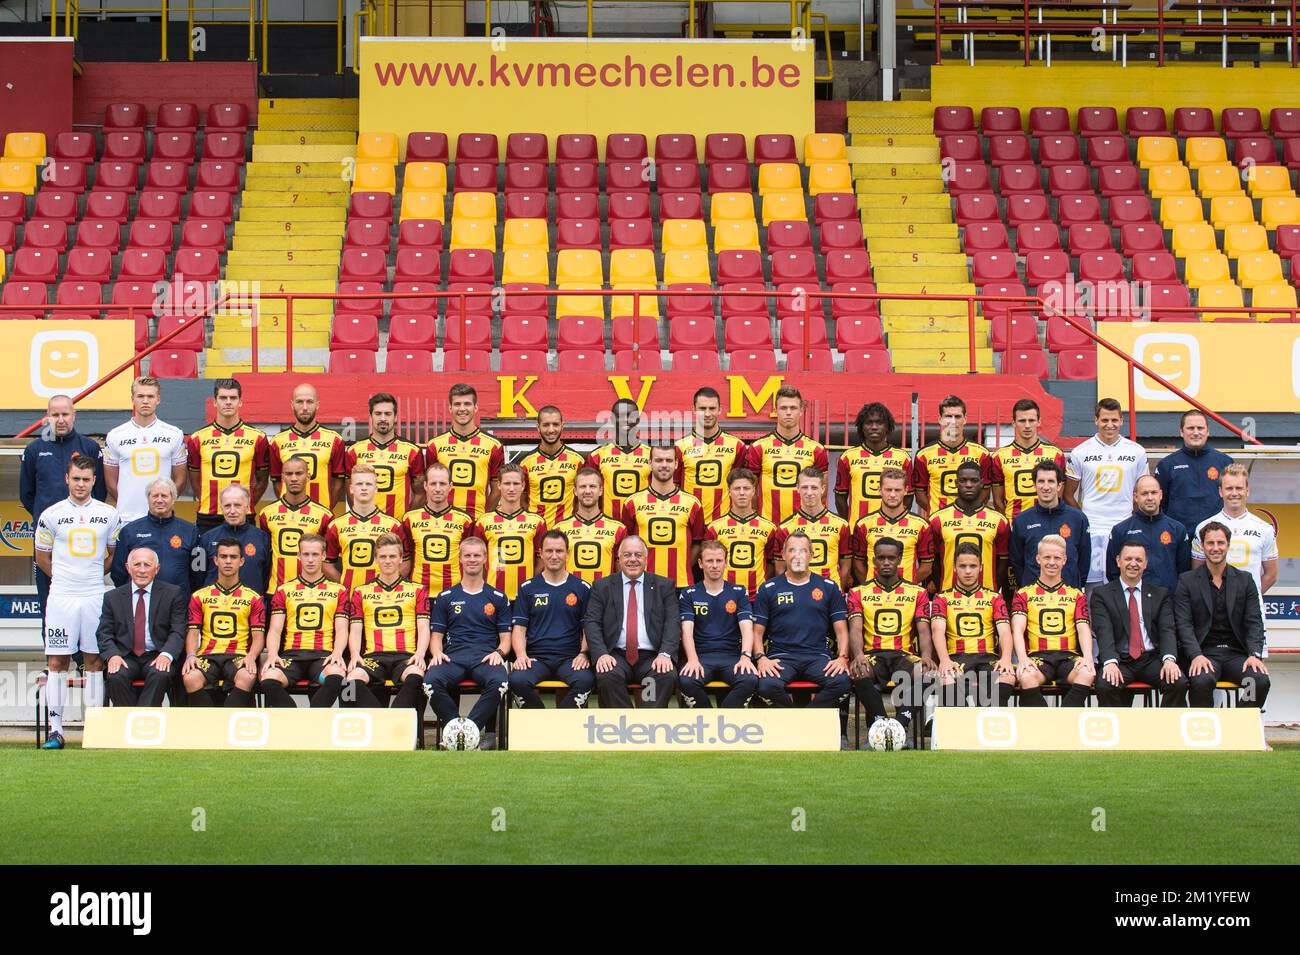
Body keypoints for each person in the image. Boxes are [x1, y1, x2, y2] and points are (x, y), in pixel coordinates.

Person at [35, 454, 119, 748]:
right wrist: (65, 580)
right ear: (66, 479)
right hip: (62, 597)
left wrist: (91, 576)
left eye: (86, 479)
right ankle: (56, 731)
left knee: (94, 660)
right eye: (76, 479)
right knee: (58, 661)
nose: (81, 484)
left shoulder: (109, 514)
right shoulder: (51, 514)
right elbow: (41, 557)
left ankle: (93, 729)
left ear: (94, 481)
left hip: (95, 595)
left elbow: (112, 554)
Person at [21, 394, 106, 623]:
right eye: (55, 414)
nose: (61, 419)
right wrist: (50, 521)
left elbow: (100, 493)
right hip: (49, 540)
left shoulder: (89, 447)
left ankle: (81, 656)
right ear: (47, 417)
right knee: (48, 600)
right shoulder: (34, 450)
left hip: (84, 537)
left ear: (74, 415)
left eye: (65, 414)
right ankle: (53, 655)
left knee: (84, 600)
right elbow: (27, 495)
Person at [751, 532, 851, 708]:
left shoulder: (829, 587)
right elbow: (757, 632)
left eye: (803, 551)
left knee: (842, 682)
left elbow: (841, 630)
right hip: (781, 658)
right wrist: (761, 658)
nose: (797, 556)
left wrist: (842, 657)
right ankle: (801, 724)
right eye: (792, 550)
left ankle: (802, 722)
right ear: (783, 555)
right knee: (766, 685)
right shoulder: (768, 588)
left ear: (811, 556)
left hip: (817, 657)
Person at [1176, 522, 1269, 709]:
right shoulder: (1187, 581)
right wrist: (1195, 655)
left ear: (1228, 545)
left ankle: (1238, 728)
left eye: (1220, 543)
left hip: (1237, 656)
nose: (1215, 548)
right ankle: (1205, 733)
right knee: (1201, 682)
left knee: (1257, 682)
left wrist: (1254, 654)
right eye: (1210, 543)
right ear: (1202, 546)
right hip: (1204, 654)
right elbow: (1183, 624)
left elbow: (1254, 622)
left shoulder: (1245, 580)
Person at [425, 537, 512, 736]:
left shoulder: (498, 597)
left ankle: (469, 730)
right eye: (468, 555)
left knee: (501, 682)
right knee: (430, 682)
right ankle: (455, 728)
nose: (472, 559)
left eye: (477, 555)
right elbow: (436, 635)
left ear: (484, 559)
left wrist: (499, 652)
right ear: (460, 560)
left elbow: (506, 639)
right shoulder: (445, 597)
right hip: (453, 657)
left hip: (486, 656)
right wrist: (437, 653)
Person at [847, 538, 932, 738]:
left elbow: (924, 631)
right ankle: (881, 723)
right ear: (874, 561)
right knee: (859, 672)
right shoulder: (858, 592)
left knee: (928, 674)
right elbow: (855, 629)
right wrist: (858, 655)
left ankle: (900, 726)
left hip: (903, 655)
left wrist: (927, 655)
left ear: (900, 559)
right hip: (873, 655)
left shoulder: (917, 593)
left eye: (891, 558)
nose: (886, 562)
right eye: (881, 558)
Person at [582, 536, 680, 708]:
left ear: (646, 559)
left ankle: (647, 722)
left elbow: (672, 622)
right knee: (607, 674)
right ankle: (625, 724)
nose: (633, 559)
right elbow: (592, 623)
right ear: (619, 559)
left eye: (638, 555)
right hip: (615, 655)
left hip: (651, 657)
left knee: (664, 674)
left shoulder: (663, 586)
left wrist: (665, 654)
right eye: (627, 555)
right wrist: (601, 654)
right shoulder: (602, 586)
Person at [1065, 397, 1149, 591]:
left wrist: (1132, 519)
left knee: (1124, 585)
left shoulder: (1136, 452)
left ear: (1121, 420)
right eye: (1104, 420)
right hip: (1092, 531)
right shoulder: (1081, 452)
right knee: (1092, 589)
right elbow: (1069, 495)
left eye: (1114, 420)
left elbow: (1142, 491)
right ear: (1096, 420)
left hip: (1124, 529)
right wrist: (1084, 520)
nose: (1109, 425)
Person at [345, 534, 430, 722]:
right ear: (375, 559)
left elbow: (424, 628)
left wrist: (420, 654)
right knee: (350, 683)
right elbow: (356, 629)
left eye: (392, 556)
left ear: (401, 559)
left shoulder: (417, 590)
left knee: (416, 676)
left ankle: (391, 725)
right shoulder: (361, 591)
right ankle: (385, 722)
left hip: (405, 656)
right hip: (374, 657)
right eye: (383, 557)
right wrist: (354, 655)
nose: (388, 561)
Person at [1091, 541, 1188, 707]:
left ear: (1145, 564)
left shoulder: (1160, 594)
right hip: (1120, 660)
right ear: (1118, 561)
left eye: (1138, 560)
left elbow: (1167, 630)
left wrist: (1169, 659)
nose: (1133, 564)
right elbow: (1103, 632)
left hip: (1151, 659)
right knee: (1105, 685)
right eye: (1128, 558)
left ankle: (1167, 730)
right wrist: (1110, 662)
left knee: (1177, 682)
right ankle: (1119, 730)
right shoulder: (1102, 594)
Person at [258, 533, 349, 709]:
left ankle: (309, 723)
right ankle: (298, 722)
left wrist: (337, 653)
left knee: (336, 675)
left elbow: (342, 629)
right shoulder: (284, 590)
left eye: (315, 554)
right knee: (269, 679)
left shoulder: (339, 590)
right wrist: (272, 654)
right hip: (292, 657)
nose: (310, 559)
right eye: (306, 554)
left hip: (323, 657)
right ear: (299, 556)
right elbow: (275, 630)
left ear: (323, 556)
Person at [508, 531, 595, 709]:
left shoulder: (582, 588)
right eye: (549, 551)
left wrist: (583, 653)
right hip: (536, 658)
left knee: (586, 679)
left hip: (570, 658)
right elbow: (519, 629)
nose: (554, 556)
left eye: (559, 551)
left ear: (568, 553)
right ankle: (544, 724)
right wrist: (521, 655)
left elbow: (589, 627)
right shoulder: (527, 588)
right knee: (517, 680)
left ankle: (559, 726)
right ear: (540, 553)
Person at [96, 547, 186, 708]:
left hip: (157, 654)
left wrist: (167, 655)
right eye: (137, 564)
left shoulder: (173, 594)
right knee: (115, 675)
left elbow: (178, 631)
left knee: (160, 674)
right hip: (125, 655)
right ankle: (127, 721)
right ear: (128, 568)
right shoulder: (112, 597)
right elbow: (104, 633)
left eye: (147, 565)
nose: (142, 570)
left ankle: (144, 721)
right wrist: (113, 656)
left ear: (157, 569)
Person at [1011, 535, 1094, 707]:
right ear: (1038, 559)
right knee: (1026, 676)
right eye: (1047, 557)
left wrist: (1087, 657)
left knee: (1087, 674)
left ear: (1064, 560)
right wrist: (1023, 659)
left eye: (1057, 557)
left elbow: (1083, 629)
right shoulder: (1024, 594)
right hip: (1038, 657)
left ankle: (1064, 723)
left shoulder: (1076, 594)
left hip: (1068, 656)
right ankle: (1044, 726)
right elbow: (1017, 630)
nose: (1051, 562)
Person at [930, 543, 1016, 707]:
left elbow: (1005, 632)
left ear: (981, 568)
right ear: (954, 568)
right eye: (962, 566)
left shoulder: (994, 598)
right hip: (956, 658)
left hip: (988, 658)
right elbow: (937, 631)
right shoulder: (942, 598)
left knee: (1008, 676)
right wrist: (945, 660)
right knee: (946, 677)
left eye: (973, 566)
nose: (968, 571)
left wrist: (1005, 658)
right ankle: (961, 725)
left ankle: (989, 720)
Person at [182, 538, 265, 707]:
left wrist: (251, 656)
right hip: (208, 655)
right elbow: (192, 632)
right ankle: (210, 724)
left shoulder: (253, 598)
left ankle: (225, 723)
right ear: (215, 560)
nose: (228, 561)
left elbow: (258, 637)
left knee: (247, 676)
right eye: (223, 556)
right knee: (190, 678)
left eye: (233, 557)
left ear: (241, 561)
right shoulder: (200, 596)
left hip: (238, 655)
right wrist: (191, 655)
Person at [1191, 464, 1277, 625]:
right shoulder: (1203, 528)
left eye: (1239, 488)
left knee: (1254, 651)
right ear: (1220, 492)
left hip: (1250, 612)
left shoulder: (1264, 528)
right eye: (1229, 488)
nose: (1234, 493)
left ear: (1247, 490)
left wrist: (1248, 596)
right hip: (1214, 611)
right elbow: (1197, 571)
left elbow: (1271, 574)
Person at [677, 540, 759, 708]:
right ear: (700, 563)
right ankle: (711, 721)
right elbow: (686, 630)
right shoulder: (689, 593)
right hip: (701, 656)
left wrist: (745, 657)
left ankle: (720, 720)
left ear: (725, 563)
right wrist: (692, 659)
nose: (714, 565)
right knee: (686, 681)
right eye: (709, 561)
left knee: (750, 679)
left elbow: (747, 627)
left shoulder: (738, 591)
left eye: (719, 560)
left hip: (731, 656)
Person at [186, 378, 270, 534]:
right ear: (215, 402)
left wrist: (246, 504)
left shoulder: (257, 437)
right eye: (223, 398)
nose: (228, 402)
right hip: (208, 516)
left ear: (240, 402)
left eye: (233, 398)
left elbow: (263, 480)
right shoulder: (197, 438)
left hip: (244, 516)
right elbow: (195, 480)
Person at [103, 376, 188, 524]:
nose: (145, 401)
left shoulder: (174, 434)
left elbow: (180, 480)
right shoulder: (115, 435)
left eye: (150, 396)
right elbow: (111, 483)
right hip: (126, 519)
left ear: (158, 399)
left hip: (161, 519)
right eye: (140, 396)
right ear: (132, 399)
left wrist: (163, 505)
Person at [621, 445, 706, 589]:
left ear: (676, 464)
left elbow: (698, 544)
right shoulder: (632, 502)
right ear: (650, 463)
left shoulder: (693, 503)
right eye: (659, 460)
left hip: (681, 584)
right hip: (643, 585)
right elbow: (626, 543)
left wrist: (683, 565)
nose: (664, 465)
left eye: (669, 460)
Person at [744, 385, 829, 526]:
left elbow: (822, 493)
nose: (788, 412)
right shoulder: (758, 448)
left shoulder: (816, 449)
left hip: (804, 527)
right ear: (775, 411)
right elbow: (750, 491)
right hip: (769, 526)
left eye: (793, 408)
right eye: (783, 408)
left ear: (801, 411)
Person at [927, 461, 1010, 592]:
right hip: (948, 596)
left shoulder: (999, 520)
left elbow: (1003, 562)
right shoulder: (937, 519)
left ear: (982, 483)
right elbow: (933, 563)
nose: (969, 485)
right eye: (963, 480)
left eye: (974, 480)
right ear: (956, 483)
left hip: (987, 598)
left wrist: (992, 590)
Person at [257, 454, 334, 593]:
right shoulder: (266, 513)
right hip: (274, 591)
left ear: (308, 476)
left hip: (311, 593)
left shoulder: (324, 515)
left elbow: (328, 561)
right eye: (289, 474)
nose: (293, 478)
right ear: (283, 477)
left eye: (299, 473)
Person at [426, 382, 504, 520]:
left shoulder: (493, 445)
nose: (462, 409)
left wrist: (484, 517)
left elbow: (497, 488)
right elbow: (427, 487)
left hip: (477, 520)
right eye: (457, 404)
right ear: (450, 408)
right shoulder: (435, 445)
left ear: (475, 408)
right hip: (444, 522)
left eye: (467, 404)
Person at [324, 463, 407, 592]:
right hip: (349, 600)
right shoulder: (336, 525)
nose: (364, 488)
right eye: (359, 484)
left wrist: (388, 586)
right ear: (351, 488)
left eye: (368, 484)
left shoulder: (393, 525)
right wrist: (345, 587)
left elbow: (405, 562)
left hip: (382, 599)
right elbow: (326, 564)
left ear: (376, 488)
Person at [1009, 461, 1090, 589]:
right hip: (1033, 597)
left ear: (1059, 486)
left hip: (1069, 595)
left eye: (1051, 481)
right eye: (1041, 481)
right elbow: (1017, 561)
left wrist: (1073, 585)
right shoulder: (1021, 521)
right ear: (1034, 485)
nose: (1046, 487)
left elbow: (1084, 562)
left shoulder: (1078, 518)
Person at [110, 477, 198, 594]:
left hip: (178, 602)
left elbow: (198, 572)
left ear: (173, 499)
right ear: (148, 499)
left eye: (164, 496)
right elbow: (118, 572)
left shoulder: (190, 531)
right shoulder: (130, 531)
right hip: (140, 601)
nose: (159, 500)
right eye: (155, 496)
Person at [471, 463, 546, 601]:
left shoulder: (536, 521)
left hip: (525, 597)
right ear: (499, 485)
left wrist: (531, 584)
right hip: (492, 597)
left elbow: (541, 559)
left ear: (523, 486)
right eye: (507, 483)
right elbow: (476, 560)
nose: (511, 488)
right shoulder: (484, 521)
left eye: (516, 483)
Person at [345, 392, 426, 519]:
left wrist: (405, 522)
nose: (383, 418)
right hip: (365, 527)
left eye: (387, 414)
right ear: (371, 416)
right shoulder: (354, 451)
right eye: (378, 414)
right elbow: (350, 492)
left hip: (397, 530)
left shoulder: (412, 451)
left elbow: (421, 493)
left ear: (395, 417)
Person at [1106, 475, 1191, 593]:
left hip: (1168, 602)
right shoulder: (1121, 530)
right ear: (1136, 497)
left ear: (1161, 495)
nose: (1150, 498)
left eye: (1154, 493)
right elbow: (1112, 572)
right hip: (1133, 602)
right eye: (1144, 493)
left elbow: (1184, 571)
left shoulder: (1177, 529)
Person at [911, 394, 991, 517]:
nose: (953, 421)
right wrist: (938, 514)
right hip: (937, 523)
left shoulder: (981, 453)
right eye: (948, 416)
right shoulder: (924, 455)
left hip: (970, 520)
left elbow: (985, 492)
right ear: (940, 419)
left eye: (958, 416)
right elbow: (920, 494)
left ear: (965, 419)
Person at [676, 386, 747, 524]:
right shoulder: (680, 446)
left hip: (723, 525)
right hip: (688, 523)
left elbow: (743, 487)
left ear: (720, 409)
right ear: (694, 410)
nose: (707, 414)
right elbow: (674, 487)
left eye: (712, 408)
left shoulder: (737, 446)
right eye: (702, 409)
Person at [851, 467, 934, 585]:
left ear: (906, 490)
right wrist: (871, 587)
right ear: (879, 490)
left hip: (906, 597)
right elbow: (858, 564)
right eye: (888, 489)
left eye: (898, 490)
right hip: (873, 596)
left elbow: (926, 568)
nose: (893, 494)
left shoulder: (921, 525)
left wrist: (907, 587)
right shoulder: (864, 524)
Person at [268, 383, 346, 508]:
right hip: (289, 515)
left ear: (317, 405)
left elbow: (338, 482)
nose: (304, 407)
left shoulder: (334, 439)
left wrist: (326, 509)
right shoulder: (277, 441)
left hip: (322, 516)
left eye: (309, 402)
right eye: (299, 402)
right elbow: (277, 481)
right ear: (292, 404)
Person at [1155, 409, 1234, 533]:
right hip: (1179, 537)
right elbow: (1160, 505)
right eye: (1191, 428)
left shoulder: (1225, 462)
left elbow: (1232, 500)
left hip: (1215, 539)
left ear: (1208, 431)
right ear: (1181, 432)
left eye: (1200, 428)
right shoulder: (1167, 465)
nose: (1196, 433)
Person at [835, 401, 912, 526]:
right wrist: (851, 525)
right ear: (861, 427)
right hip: (857, 530)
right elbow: (840, 497)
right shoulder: (848, 457)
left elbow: (908, 497)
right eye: (869, 423)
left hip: (891, 529)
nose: (874, 427)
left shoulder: (902, 458)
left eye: (879, 423)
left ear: (887, 426)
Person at [705, 468, 778, 600]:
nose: (742, 493)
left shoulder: (769, 528)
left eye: (746, 488)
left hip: (757, 598)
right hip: (723, 596)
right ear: (729, 492)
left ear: (754, 491)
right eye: (737, 489)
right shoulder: (714, 528)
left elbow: (771, 563)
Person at [402, 463, 475, 593]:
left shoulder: (465, 520)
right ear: (425, 486)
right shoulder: (409, 519)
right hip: (419, 593)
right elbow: (406, 558)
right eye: (433, 483)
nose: (437, 488)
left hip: (455, 593)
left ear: (450, 486)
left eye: (442, 484)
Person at [773, 467, 851, 588]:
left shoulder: (841, 525)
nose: (809, 493)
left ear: (823, 489)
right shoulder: (785, 528)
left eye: (814, 487)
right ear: (797, 488)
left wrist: (837, 590)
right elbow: (780, 570)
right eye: (804, 487)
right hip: (798, 595)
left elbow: (846, 565)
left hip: (830, 595)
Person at [990, 398, 1067, 519]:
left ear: (1039, 422)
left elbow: (1059, 497)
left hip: (1047, 523)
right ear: (1013, 423)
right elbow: (998, 502)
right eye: (1022, 421)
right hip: (1014, 525)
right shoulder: (999, 456)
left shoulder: (1055, 454)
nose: (1027, 426)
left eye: (1031, 420)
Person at [551, 466, 627, 583]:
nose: (587, 491)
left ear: (601, 490)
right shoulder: (560, 529)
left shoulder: (618, 529)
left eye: (592, 486)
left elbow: (621, 570)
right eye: (582, 487)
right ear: (575, 491)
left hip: (604, 597)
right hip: (570, 596)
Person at [516, 405, 584, 526]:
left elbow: (582, 500)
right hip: (536, 531)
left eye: (555, 424)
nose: (551, 430)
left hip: (566, 531)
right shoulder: (525, 463)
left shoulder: (577, 461)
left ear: (562, 425)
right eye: (546, 425)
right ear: (538, 427)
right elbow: (521, 500)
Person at [195, 485, 271, 593]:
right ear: (221, 508)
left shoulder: (262, 538)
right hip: (214, 606)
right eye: (227, 506)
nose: (232, 511)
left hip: (251, 606)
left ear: (247, 507)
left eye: (237, 505)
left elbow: (266, 575)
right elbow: (198, 577)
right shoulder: (206, 538)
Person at [586, 398, 652, 519]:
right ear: (612, 419)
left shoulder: (652, 455)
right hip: (608, 524)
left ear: (638, 419)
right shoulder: (597, 456)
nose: (625, 420)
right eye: (620, 416)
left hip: (641, 523)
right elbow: (589, 494)